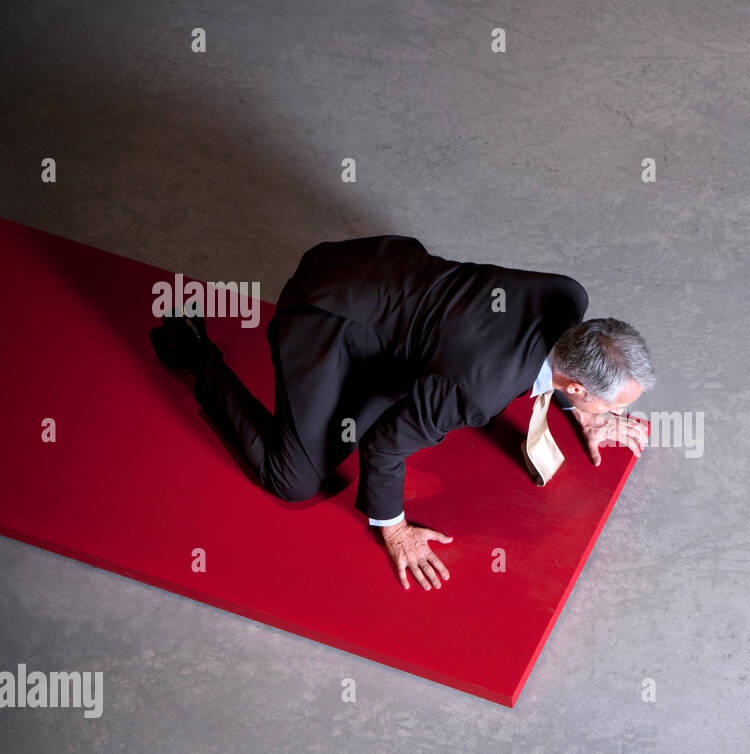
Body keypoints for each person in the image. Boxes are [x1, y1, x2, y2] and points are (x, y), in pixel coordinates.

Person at [149, 235, 654, 592]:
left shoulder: (570, 296)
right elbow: (385, 445)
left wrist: (585, 412)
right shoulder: (479, 390)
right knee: (295, 479)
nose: (613, 412)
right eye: (608, 403)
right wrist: (394, 529)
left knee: (392, 394)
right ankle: (193, 353)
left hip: (377, 263)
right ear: (576, 383)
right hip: (325, 314)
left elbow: (553, 364)